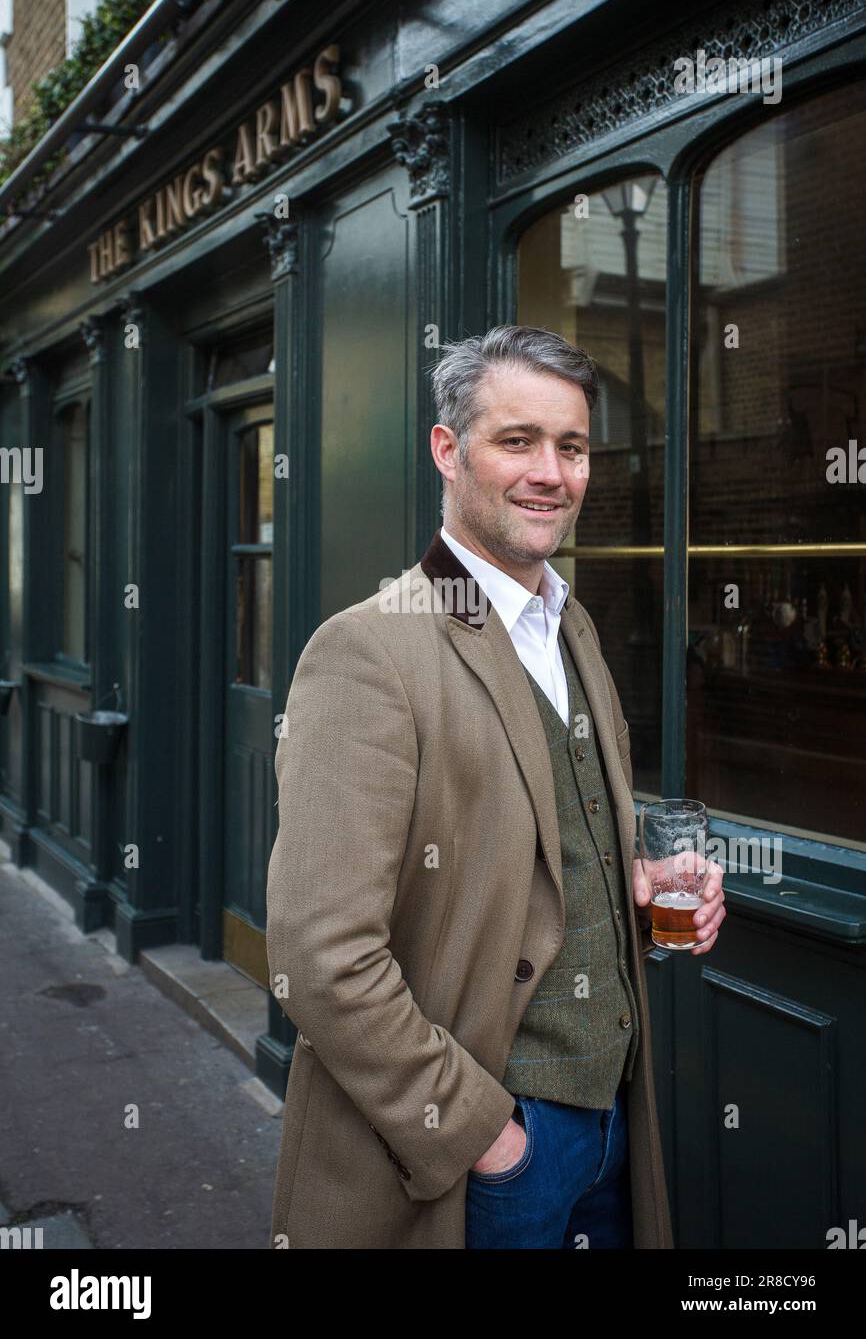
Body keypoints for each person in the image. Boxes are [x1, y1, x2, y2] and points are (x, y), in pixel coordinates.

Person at [266, 324, 725, 1249]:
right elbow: (319, 957)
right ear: (448, 450)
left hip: (612, 1125)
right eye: (517, 441)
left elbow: (552, 845)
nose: (550, 472)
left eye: (572, 446)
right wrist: (489, 1139)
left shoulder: (573, 626)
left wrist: (638, 889)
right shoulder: (369, 649)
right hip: (482, 1150)